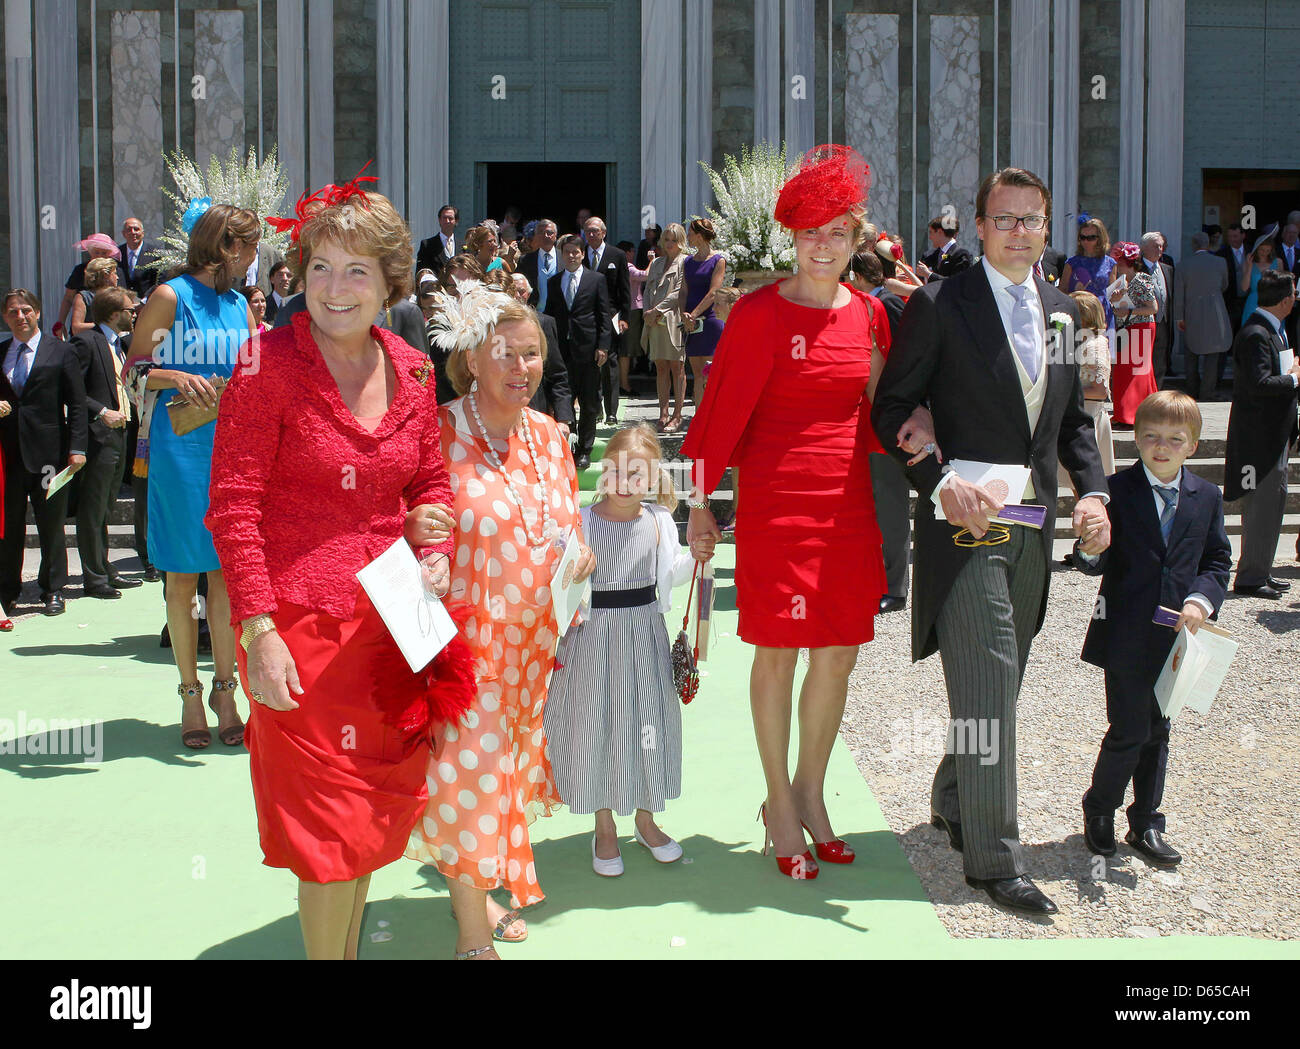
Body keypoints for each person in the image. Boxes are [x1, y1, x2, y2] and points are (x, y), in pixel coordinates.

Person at [206, 181, 475, 961]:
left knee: (366, 824)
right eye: (319, 267)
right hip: (300, 630)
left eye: (356, 270)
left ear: (392, 279)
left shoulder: (414, 368)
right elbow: (234, 505)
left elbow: (429, 481)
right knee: (327, 834)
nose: (333, 288)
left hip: (397, 625)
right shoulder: (267, 363)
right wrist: (257, 630)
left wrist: (434, 544)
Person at [871, 166, 1110, 917]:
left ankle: (952, 793)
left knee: (995, 687)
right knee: (992, 686)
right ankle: (992, 859)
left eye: (1030, 220)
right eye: (1003, 219)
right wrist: (939, 482)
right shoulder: (939, 304)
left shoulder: (1064, 312)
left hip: (1035, 532)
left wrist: (1095, 488)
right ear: (978, 225)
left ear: (1046, 227)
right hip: (963, 528)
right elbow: (892, 410)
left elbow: (1070, 424)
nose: (1017, 231)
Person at [684, 145, 896, 881]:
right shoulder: (757, 314)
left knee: (838, 652)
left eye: (838, 232)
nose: (822, 244)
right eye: (809, 231)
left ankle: (811, 787)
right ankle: (777, 799)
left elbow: (886, 408)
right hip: (776, 504)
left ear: (854, 241)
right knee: (776, 651)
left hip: (847, 505)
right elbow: (714, 417)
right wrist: (698, 504)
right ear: (790, 238)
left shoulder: (870, 316)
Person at [407, 287, 594, 960]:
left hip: (532, 649)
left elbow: (566, 526)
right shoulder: (436, 433)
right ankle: (471, 935)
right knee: (469, 773)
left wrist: (581, 556)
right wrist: (410, 528)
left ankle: (476, 885)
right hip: (460, 646)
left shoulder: (548, 437)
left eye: (533, 352)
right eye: (505, 353)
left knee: (504, 774)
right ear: (471, 361)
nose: (523, 365)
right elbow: (402, 527)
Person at [1074, 391, 1231, 867]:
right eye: (1151, 437)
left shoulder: (1206, 497)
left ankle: (1145, 820)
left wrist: (1201, 601)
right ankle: (1100, 810)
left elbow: (1217, 559)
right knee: (1127, 727)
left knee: (1159, 729)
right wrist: (1089, 547)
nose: (1161, 447)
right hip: (1124, 633)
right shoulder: (1116, 492)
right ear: (1136, 439)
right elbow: (1090, 561)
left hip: (1175, 638)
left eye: (1174, 440)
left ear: (1195, 446)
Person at [125, 203, 258, 749]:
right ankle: (189, 694)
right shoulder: (168, 296)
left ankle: (226, 692)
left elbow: (253, 377)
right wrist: (174, 372)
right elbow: (132, 371)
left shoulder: (238, 307)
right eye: (248, 248)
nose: (254, 260)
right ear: (226, 247)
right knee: (182, 578)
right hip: (180, 451)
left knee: (226, 574)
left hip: (231, 450)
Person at [547, 424, 702, 875]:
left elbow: (671, 575)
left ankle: (646, 819)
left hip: (644, 636)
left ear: (653, 478)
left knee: (647, 724)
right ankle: (604, 824)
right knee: (598, 724)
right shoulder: (583, 522)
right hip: (593, 640)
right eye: (615, 470)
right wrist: (572, 569)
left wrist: (698, 553)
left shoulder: (657, 521)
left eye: (638, 473)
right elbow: (559, 584)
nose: (625, 482)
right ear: (603, 470)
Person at [0, 289, 88, 616]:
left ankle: (52, 589)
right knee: (7, 527)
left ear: (37, 312)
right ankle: (7, 590)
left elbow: (77, 404)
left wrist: (77, 449)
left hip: (50, 454)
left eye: (25, 310)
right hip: (8, 457)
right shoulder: (1, 353)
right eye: (12, 312)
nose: (20, 317)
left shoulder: (61, 352)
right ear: (5, 317)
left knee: (50, 524)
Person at [1223, 270, 1299, 599]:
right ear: (1285, 300)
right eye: (1294, 294)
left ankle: (1261, 570)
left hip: (1274, 434)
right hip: (1259, 441)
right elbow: (1259, 384)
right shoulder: (1257, 332)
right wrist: (1296, 378)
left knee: (1272, 506)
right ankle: (1251, 576)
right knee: (1261, 507)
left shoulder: (1273, 329)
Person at [848, 246, 910, 613]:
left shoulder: (886, 304)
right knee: (873, 507)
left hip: (886, 419)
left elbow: (902, 360)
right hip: (866, 420)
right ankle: (876, 579)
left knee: (890, 507)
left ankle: (896, 587)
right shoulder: (875, 302)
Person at [71, 287, 144, 599]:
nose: (134, 314)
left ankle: (105, 568)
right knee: (92, 507)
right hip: (99, 436)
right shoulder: (86, 342)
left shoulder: (121, 345)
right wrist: (101, 412)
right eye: (130, 310)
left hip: (121, 434)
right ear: (114, 314)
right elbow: (73, 390)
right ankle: (94, 577)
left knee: (106, 507)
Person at [544, 233, 612, 470]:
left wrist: (603, 345)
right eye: (567, 252)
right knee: (562, 400)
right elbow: (550, 315)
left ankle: (585, 448)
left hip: (589, 349)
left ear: (583, 254)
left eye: (576, 252)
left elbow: (604, 315)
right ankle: (565, 447)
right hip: (561, 351)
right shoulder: (554, 282)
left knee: (589, 401)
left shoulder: (596, 280)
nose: (571, 256)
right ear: (561, 255)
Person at [508, 272, 573, 433]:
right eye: (512, 291)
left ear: (528, 294)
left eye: (521, 291)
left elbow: (557, 374)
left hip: (536, 411)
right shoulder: (494, 325)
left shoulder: (544, 323)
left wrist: (563, 418)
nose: (517, 295)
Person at [1174, 232, 1234, 402]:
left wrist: (1179, 317)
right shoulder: (1220, 262)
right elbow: (1224, 285)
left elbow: (1179, 294)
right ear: (1208, 244)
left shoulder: (1183, 265)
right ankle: (1208, 391)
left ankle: (1192, 390)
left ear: (1193, 245)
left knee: (1191, 352)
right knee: (1213, 353)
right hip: (1216, 311)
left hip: (1191, 312)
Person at [583, 217, 631, 425]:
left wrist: (624, 317)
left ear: (603, 232)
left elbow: (624, 288)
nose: (591, 234)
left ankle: (611, 411)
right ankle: (595, 408)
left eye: (594, 231)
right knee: (590, 364)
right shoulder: (580, 253)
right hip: (586, 316)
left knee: (610, 363)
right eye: (587, 231)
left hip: (610, 316)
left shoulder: (617, 255)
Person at [641, 223, 687, 431]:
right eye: (667, 239)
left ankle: (678, 415)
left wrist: (656, 310)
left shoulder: (685, 263)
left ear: (681, 242)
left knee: (677, 367)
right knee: (661, 367)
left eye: (674, 240)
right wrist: (648, 311)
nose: (669, 244)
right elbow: (648, 289)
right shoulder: (657, 263)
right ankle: (663, 413)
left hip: (674, 319)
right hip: (655, 321)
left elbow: (679, 293)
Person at [1107, 242, 1159, 428]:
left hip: (1141, 327)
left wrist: (1129, 312)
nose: (1116, 265)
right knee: (1124, 370)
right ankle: (1132, 412)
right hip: (1127, 328)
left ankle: (1130, 415)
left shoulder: (1141, 279)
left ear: (1128, 262)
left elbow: (1153, 308)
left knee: (1135, 371)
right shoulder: (1119, 282)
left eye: (1119, 262)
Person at [57, 234, 126, 333]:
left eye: (104, 253)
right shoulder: (80, 270)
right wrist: (61, 322)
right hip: (86, 326)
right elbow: (68, 298)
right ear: (90, 252)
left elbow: (124, 298)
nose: (99, 256)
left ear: (109, 254)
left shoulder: (116, 271)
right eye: (96, 252)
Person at [1062, 216, 1117, 332]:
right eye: (1083, 238)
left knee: (1101, 348)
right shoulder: (1072, 263)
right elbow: (1062, 291)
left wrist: (1120, 293)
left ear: (1101, 239)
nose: (1086, 241)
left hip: (1102, 315)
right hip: (1079, 314)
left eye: (1091, 238)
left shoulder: (1110, 263)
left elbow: (1112, 293)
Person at [1140, 232, 1175, 384]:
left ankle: (1157, 391)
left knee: (1160, 359)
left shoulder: (1167, 269)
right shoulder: (1136, 268)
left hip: (1163, 322)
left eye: (1161, 246)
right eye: (1156, 246)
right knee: (1144, 359)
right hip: (1143, 321)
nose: (1160, 249)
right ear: (1144, 248)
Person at [619, 239, 648, 394]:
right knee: (627, 349)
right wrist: (652, 261)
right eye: (632, 251)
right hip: (632, 309)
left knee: (626, 349)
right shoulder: (628, 266)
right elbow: (645, 275)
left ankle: (623, 382)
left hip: (626, 310)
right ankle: (624, 384)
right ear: (628, 252)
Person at [68, 257, 121, 336]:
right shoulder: (83, 297)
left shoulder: (117, 296)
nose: (117, 277)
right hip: (90, 344)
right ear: (106, 275)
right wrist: (105, 326)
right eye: (115, 273)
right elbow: (76, 328)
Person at [1239, 227, 1282, 323]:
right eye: (1262, 250)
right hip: (1253, 304)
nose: (1264, 253)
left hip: (1272, 304)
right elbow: (1244, 288)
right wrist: (1249, 267)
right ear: (1256, 248)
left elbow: (1281, 286)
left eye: (1268, 251)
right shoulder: (1249, 262)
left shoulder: (1278, 262)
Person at [516, 218, 559, 311]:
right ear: (536, 236)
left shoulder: (564, 257)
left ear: (555, 236)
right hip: (536, 312)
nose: (545, 236)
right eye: (541, 233)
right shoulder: (526, 260)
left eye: (549, 232)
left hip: (559, 313)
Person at [917, 215, 973, 282]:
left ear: (940, 232)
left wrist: (929, 274)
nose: (930, 237)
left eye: (931, 232)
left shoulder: (961, 255)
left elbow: (957, 283)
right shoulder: (929, 256)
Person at [1216, 222, 1249, 334]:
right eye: (1229, 236)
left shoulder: (1251, 252)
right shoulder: (1221, 254)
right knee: (1229, 330)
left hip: (1248, 299)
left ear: (1243, 236)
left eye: (1235, 236)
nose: (1232, 239)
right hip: (1230, 301)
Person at [119, 217, 163, 300]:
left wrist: (145, 301)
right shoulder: (118, 253)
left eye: (136, 229)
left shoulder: (155, 254)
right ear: (123, 233)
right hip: (121, 304)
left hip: (147, 304)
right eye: (129, 229)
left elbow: (160, 281)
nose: (133, 232)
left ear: (142, 233)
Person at [416, 204, 460, 276]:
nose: (447, 221)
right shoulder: (427, 245)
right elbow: (421, 273)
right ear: (439, 220)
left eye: (450, 218)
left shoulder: (463, 245)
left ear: (456, 221)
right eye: (444, 218)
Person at [264, 260, 294, 324]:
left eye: (289, 275)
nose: (285, 278)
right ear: (272, 279)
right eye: (280, 275)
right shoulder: (264, 305)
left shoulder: (297, 304)